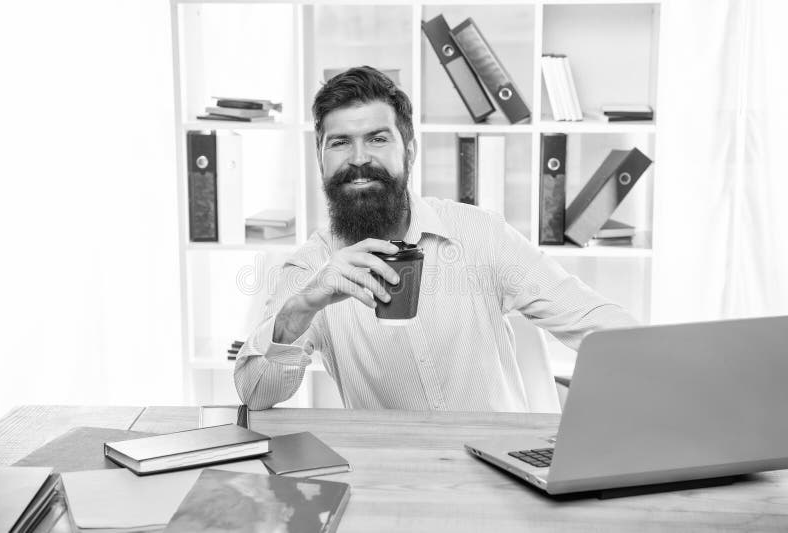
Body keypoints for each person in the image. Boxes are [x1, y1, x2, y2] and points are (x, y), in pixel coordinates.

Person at [234, 66, 637, 411]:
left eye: (378, 138)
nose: (358, 158)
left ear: (409, 150)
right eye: (340, 142)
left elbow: (587, 318)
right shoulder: (310, 269)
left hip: (500, 475)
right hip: (396, 482)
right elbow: (254, 394)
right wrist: (303, 306)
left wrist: (672, 363)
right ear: (320, 157)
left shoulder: (480, 233)